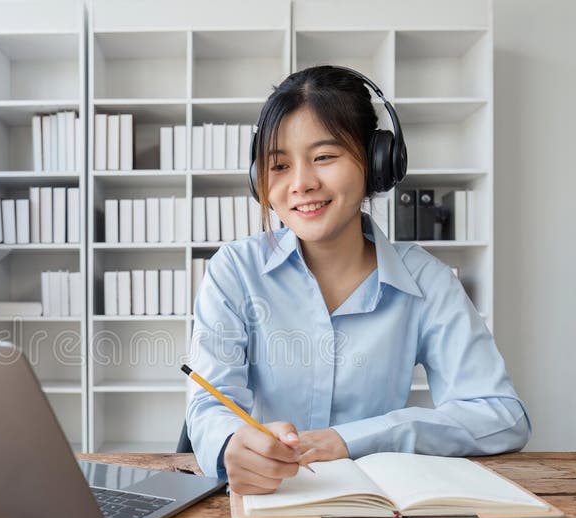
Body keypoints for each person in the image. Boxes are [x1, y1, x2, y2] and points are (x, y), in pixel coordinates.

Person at [185, 66, 531, 493]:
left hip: (376, 507)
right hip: (271, 498)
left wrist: (353, 439)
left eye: (324, 157)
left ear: (378, 160)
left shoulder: (427, 281)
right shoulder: (234, 271)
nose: (301, 184)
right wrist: (230, 444)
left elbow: (500, 415)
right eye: (279, 164)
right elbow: (209, 402)